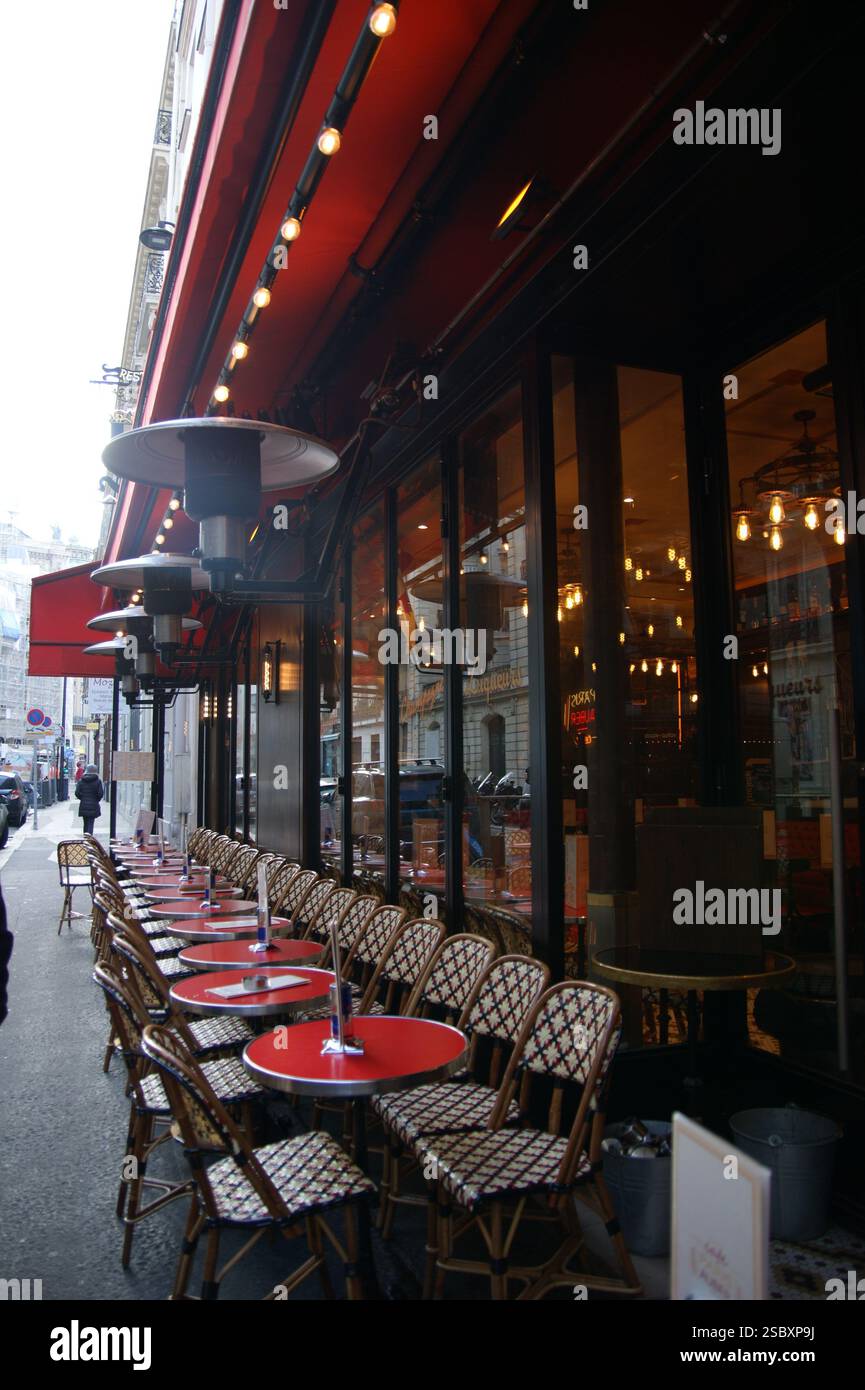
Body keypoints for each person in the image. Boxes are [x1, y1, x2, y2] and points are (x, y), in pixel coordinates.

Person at [75, 764, 103, 835]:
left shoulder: (81, 781)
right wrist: (96, 799)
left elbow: (77, 793)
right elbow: (100, 794)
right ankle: (89, 839)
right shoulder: (98, 781)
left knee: (85, 823)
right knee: (91, 822)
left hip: (84, 805)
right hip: (94, 805)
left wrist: (82, 798)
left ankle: (85, 837)